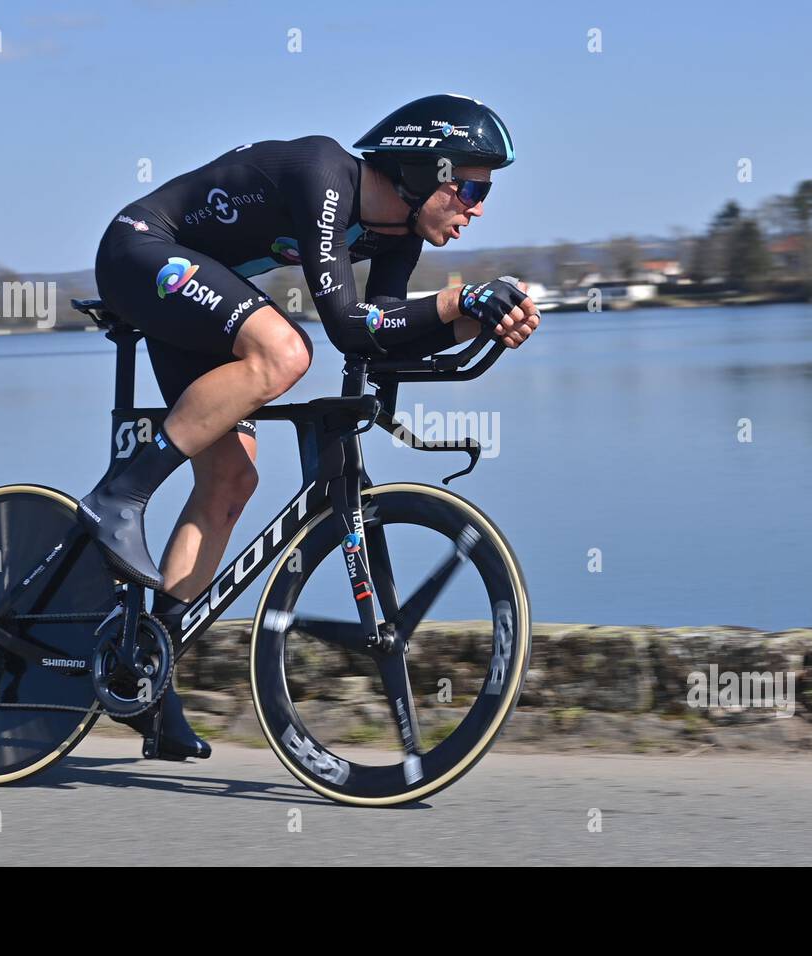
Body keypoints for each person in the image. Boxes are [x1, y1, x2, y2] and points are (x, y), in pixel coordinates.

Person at [79, 94, 541, 759]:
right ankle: (118, 496)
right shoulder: (323, 174)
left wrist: (478, 320)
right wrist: (455, 299)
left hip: (199, 294)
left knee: (233, 478)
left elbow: (378, 337)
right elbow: (347, 325)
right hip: (141, 252)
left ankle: (148, 682)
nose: (478, 206)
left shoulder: (396, 234)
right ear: (422, 172)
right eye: (469, 187)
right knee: (285, 353)